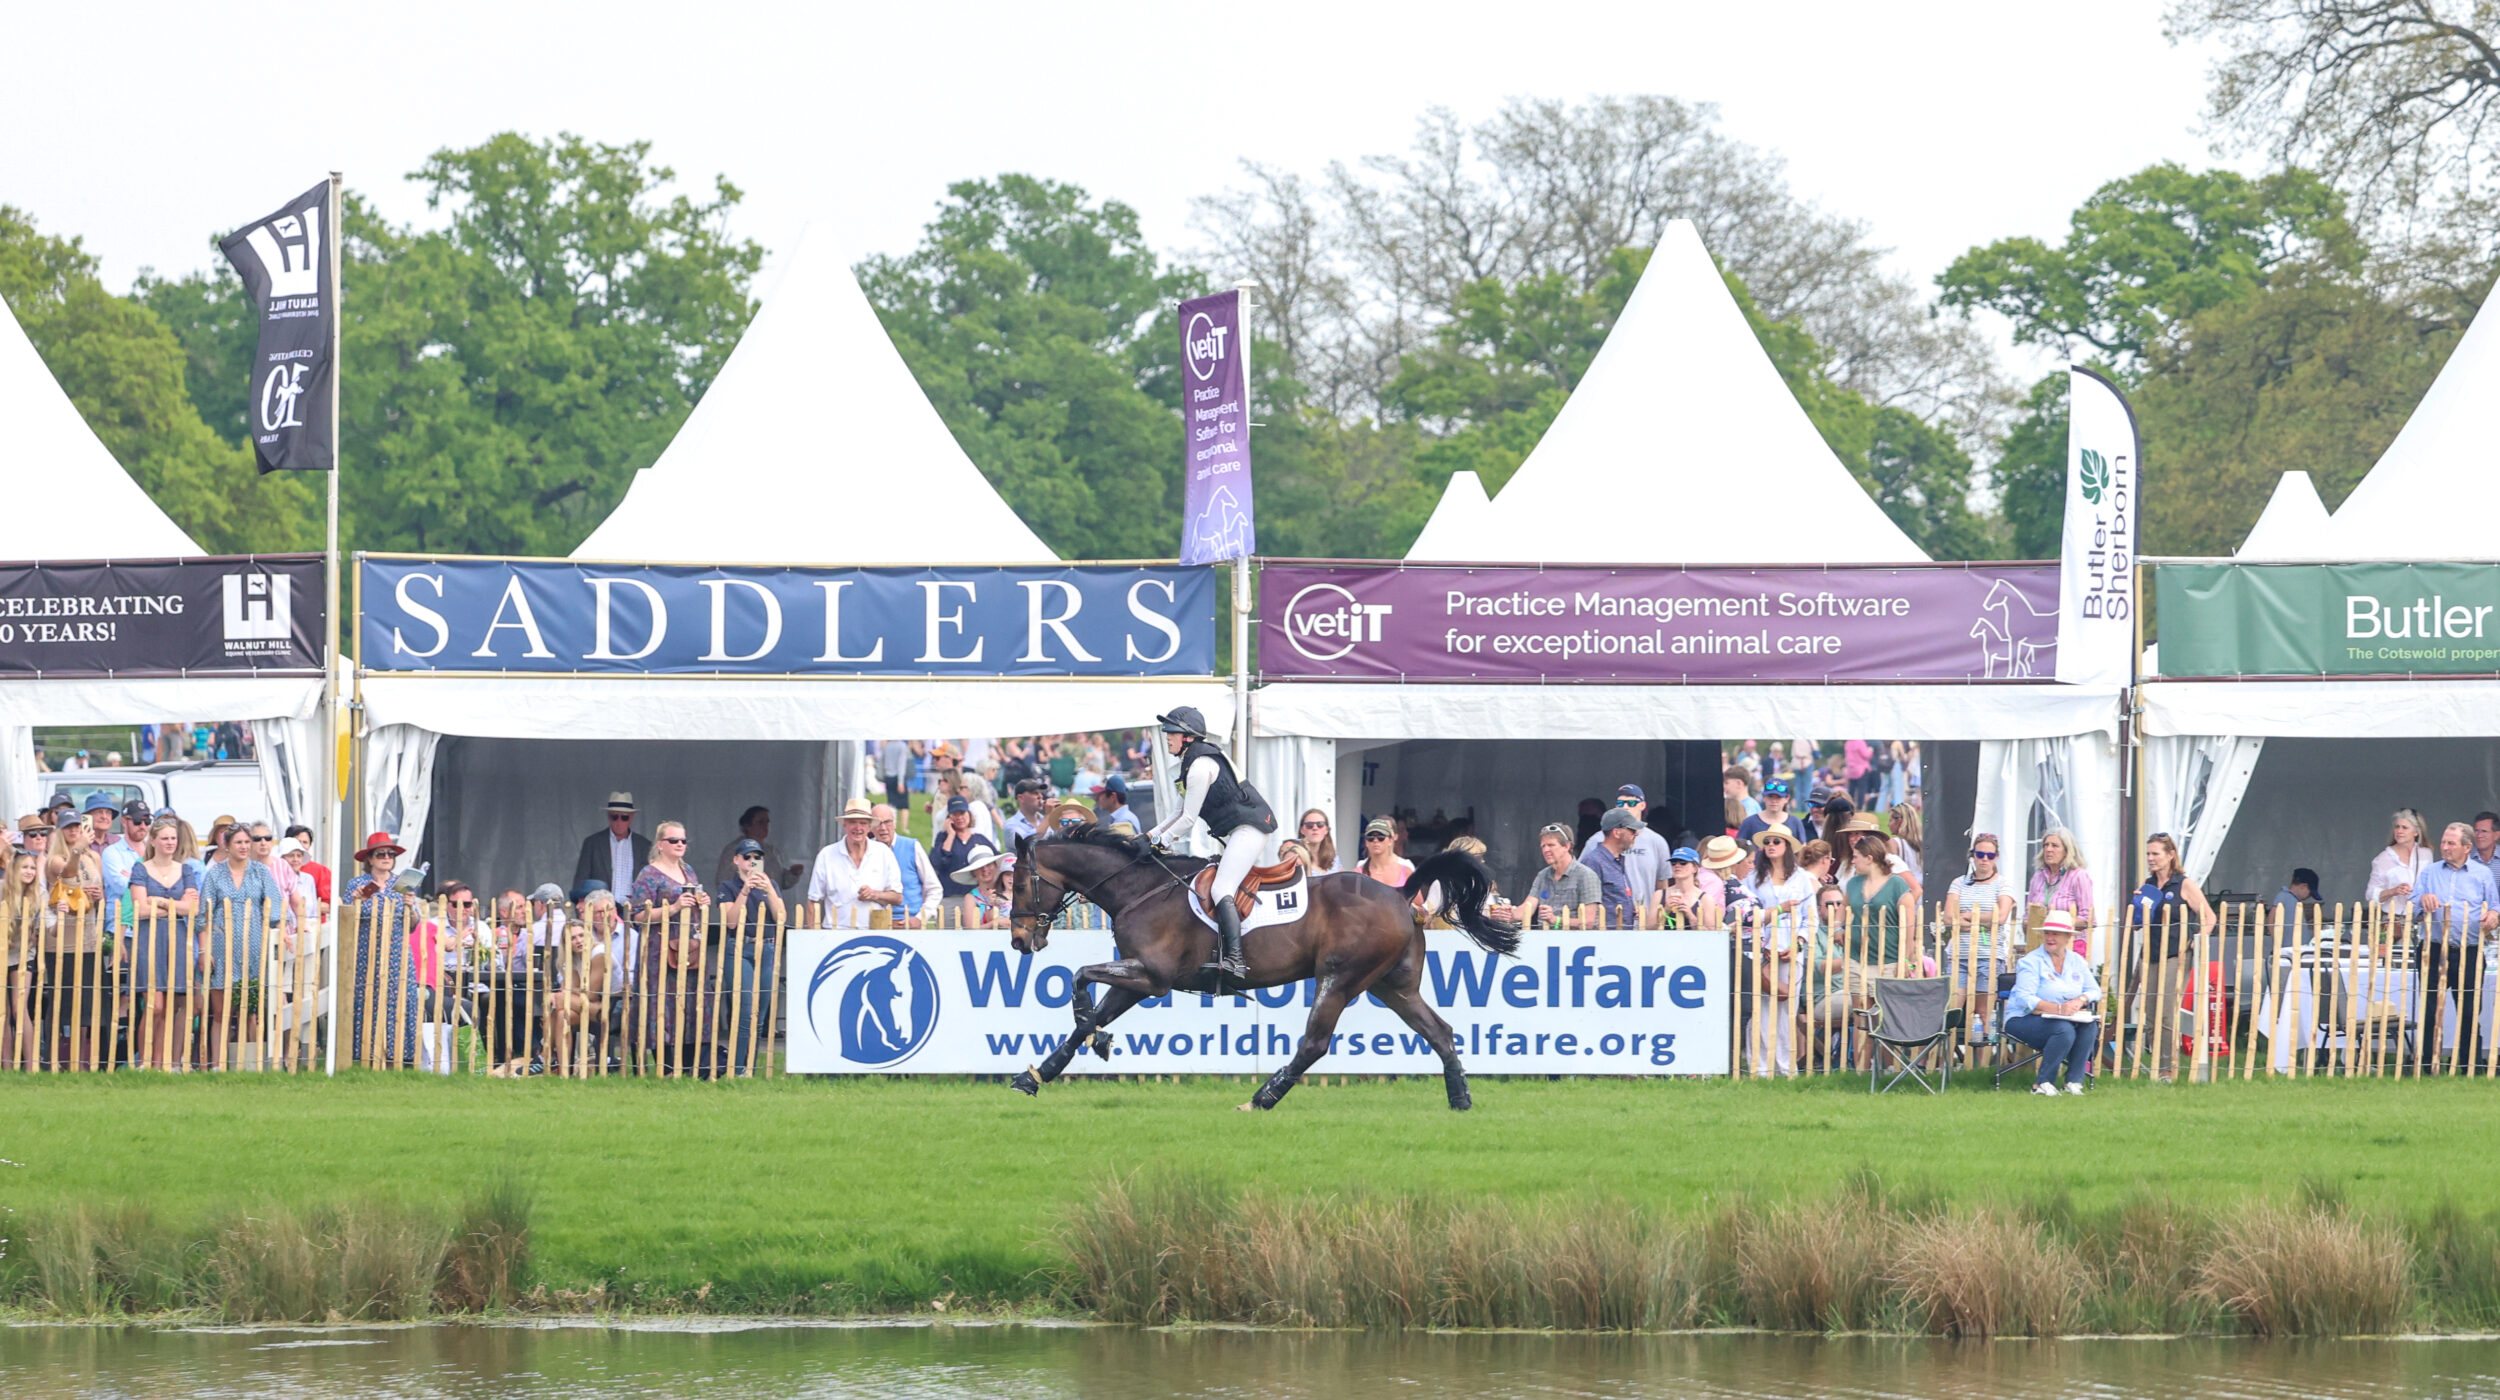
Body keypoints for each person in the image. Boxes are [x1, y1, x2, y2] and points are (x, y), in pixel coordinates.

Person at [1144, 705, 1278, 983]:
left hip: (1250, 828)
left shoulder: (1200, 767)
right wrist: (1148, 836)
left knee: (1220, 888)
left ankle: (1236, 961)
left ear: (1188, 738)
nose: (1166, 736)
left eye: (1171, 731)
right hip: (1239, 829)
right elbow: (1176, 813)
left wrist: (1161, 840)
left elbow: (1188, 820)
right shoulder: (1190, 763)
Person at [199, 822, 283, 1071]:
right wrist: (204, 950)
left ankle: (249, 1063)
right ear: (227, 845)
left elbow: (275, 908)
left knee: (250, 1010)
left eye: (248, 842)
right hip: (221, 949)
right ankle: (217, 1064)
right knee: (220, 1011)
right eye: (239, 842)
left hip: (253, 949)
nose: (245, 847)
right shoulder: (215, 874)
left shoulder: (261, 872)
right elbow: (203, 915)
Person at [2133, 833, 2216, 1083]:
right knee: (2149, 1011)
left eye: (2156, 853)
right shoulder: (2148, 885)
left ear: (2171, 855)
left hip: (2175, 955)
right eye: (2148, 853)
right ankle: (2156, 1064)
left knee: (2167, 1011)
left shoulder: (2183, 884)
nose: (2150, 858)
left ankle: (2168, 1069)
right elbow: (2137, 925)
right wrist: (2137, 906)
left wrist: (2196, 939)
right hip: (2151, 953)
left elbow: (2209, 917)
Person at [2414, 821, 2496, 1069]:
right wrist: (2423, 900)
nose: (2445, 847)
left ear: (2467, 847)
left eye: (2451, 843)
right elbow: (2414, 905)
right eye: (2443, 842)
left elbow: (2495, 905)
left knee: (2469, 1011)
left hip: (2468, 951)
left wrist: (2494, 915)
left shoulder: (2482, 874)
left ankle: (2469, 1064)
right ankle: (2427, 1064)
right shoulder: (2430, 872)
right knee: (2430, 1010)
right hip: (2433, 948)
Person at [129, 818, 203, 1069]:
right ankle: (145, 1060)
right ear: (153, 841)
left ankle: (162, 1063)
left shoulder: (186, 870)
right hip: (149, 939)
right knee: (155, 1004)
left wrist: (159, 901)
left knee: (172, 1004)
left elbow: (193, 908)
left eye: (173, 838)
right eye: (165, 838)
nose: (170, 842)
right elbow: (139, 909)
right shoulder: (140, 869)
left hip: (178, 939)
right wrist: (176, 907)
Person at [2003, 909, 2102, 1095]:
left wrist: (2080, 1001)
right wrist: (2059, 1009)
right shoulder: (2031, 962)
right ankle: (2042, 1083)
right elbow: (2025, 999)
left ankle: (2073, 1081)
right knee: (2063, 1030)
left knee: (2090, 1026)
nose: (2050, 937)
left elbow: (2094, 990)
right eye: (2047, 933)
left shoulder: (2077, 961)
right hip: (2022, 1018)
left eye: (2055, 934)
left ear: (2067, 937)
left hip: (2061, 1017)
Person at [1745, 827, 1817, 1077]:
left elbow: (1811, 918)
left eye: (1777, 841)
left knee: (1788, 1010)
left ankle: (1787, 1068)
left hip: (1791, 949)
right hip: (1763, 951)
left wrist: (1798, 942)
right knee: (1762, 1010)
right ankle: (1762, 1068)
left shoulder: (1801, 878)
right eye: (1767, 841)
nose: (1771, 845)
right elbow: (1747, 915)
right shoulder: (1752, 878)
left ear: (1787, 845)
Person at [345, 832, 420, 1068]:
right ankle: (365, 1051)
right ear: (370, 859)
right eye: (381, 854)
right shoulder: (356, 884)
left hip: (397, 949)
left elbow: (412, 925)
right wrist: (356, 902)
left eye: (390, 854)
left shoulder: (403, 882)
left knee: (399, 998)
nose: (387, 858)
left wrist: (411, 908)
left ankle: (399, 1053)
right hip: (368, 951)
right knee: (367, 998)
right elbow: (347, 920)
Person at [1942, 833, 2020, 1046]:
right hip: (1959, 954)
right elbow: (1948, 916)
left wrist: (1968, 917)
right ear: (1972, 856)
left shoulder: (2003, 884)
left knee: (1983, 1011)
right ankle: (1946, 1058)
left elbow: (2001, 917)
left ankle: (1981, 1063)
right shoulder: (1959, 883)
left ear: (1996, 858)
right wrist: (1982, 920)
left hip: (1989, 955)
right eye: (1980, 854)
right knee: (1954, 1007)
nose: (1984, 859)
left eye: (1989, 855)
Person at [810, 796, 905, 930]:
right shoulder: (827, 855)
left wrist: (874, 894)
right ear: (845, 825)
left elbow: (897, 897)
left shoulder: (883, 853)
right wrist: (813, 938)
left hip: (873, 934)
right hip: (834, 936)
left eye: (863, 823)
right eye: (853, 822)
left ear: (870, 827)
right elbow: (813, 900)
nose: (858, 828)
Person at [1583, 784, 1669, 907]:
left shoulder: (1657, 841)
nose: (1625, 807)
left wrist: (1657, 916)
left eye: (1631, 803)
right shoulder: (1596, 840)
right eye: (1620, 803)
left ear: (1643, 805)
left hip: (1646, 919)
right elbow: (1582, 880)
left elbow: (1662, 885)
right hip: (1609, 920)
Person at [1843, 834, 1916, 970]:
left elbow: (1909, 927)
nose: (1853, 861)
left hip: (1888, 961)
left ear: (1869, 858)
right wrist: (1836, 927)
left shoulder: (1897, 884)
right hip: (1856, 959)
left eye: (1856, 857)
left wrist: (1906, 958)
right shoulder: (1853, 883)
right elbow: (1843, 905)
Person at [1519, 823, 1602, 930]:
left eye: (1551, 845)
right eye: (1543, 846)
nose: (1545, 850)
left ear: (1567, 846)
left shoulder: (1586, 875)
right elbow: (1527, 908)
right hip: (1544, 942)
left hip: (1575, 943)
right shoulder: (1542, 876)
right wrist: (1508, 914)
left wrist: (1556, 920)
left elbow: (1589, 922)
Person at [572, 793, 651, 904]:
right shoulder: (593, 843)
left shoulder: (644, 845)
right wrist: (581, 906)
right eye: (614, 817)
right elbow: (581, 879)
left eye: (624, 817)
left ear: (631, 817)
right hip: (601, 910)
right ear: (608, 816)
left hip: (634, 909)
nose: (619, 822)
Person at [871, 803, 941, 927]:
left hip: (908, 923)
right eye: (877, 823)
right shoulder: (867, 850)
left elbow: (935, 888)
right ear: (871, 827)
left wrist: (920, 918)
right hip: (875, 922)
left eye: (887, 822)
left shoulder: (912, 847)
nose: (883, 828)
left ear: (895, 824)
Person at [2028, 827, 2095, 955]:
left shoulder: (2078, 876)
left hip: (2071, 946)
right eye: (2046, 845)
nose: (2048, 849)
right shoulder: (2038, 877)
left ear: (2067, 851)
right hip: (2040, 945)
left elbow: (2087, 919)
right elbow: (2028, 915)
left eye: (2055, 846)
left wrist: (2056, 924)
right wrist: (2029, 923)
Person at [1579, 807, 1644, 927]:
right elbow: (1586, 903)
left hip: (1620, 936)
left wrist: (1629, 909)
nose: (1636, 833)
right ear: (1616, 832)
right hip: (1604, 939)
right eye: (1632, 830)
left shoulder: (1618, 859)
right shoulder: (1593, 861)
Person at [714, 806, 804, 891]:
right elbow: (724, 881)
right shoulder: (734, 850)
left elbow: (780, 882)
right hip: (745, 904)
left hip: (771, 903)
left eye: (767, 822)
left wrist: (793, 874)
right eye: (760, 822)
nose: (765, 826)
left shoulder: (772, 851)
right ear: (747, 826)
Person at [928, 796, 998, 902]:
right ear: (949, 817)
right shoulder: (942, 838)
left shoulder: (979, 839)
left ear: (968, 814)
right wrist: (951, 835)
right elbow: (937, 863)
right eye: (955, 814)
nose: (959, 817)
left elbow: (997, 861)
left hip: (978, 897)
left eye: (962, 813)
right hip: (950, 896)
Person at [2365, 808, 2432, 916]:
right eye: (2397, 827)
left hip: (2420, 918)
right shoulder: (2383, 858)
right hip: (2393, 919)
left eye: (2404, 828)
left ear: (2416, 832)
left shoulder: (2426, 854)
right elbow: (2370, 894)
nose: (2399, 831)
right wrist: (2393, 891)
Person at [1658, 846, 1722, 931]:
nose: (1677, 866)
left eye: (1683, 862)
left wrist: (1690, 915)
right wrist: (1665, 911)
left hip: (1694, 944)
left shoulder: (1705, 899)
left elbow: (1711, 935)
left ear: (1695, 868)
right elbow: (1646, 930)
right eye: (1673, 863)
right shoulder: (1659, 895)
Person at [1736, 779, 1812, 848]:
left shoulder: (1795, 822)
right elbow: (1740, 849)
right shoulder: (1749, 822)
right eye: (1770, 796)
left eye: (1778, 797)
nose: (1774, 800)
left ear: (1786, 799)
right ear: (1764, 797)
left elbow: (1802, 850)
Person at [1354, 817, 1414, 887]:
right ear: (1366, 842)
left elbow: (1416, 897)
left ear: (1391, 840)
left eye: (1381, 837)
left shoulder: (1406, 871)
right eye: (1370, 837)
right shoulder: (1357, 873)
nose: (1375, 840)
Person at [1295, 809, 1343, 875]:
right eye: (1309, 825)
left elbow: (1343, 882)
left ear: (1327, 830)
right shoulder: (1296, 857)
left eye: (1320, 824)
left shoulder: (1334, 858)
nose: (1315, 828)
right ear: (1302, 830)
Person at [1003, 778, 1050, 845]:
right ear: (1021, 798)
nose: (1040, 796)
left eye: (1040, 793)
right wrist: (1048, 816)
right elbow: (1028, 844)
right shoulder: (1010, 825)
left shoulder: (1046, 821)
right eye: (1035, 793)